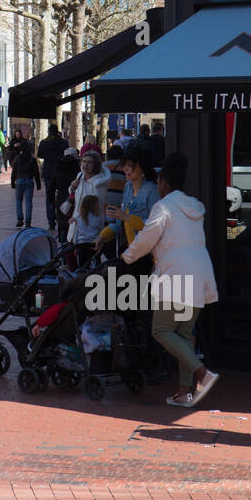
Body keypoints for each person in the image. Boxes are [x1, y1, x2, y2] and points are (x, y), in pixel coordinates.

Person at [120, 152, 219, 409]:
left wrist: (127, 257)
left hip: (176, 276)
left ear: (163, 183)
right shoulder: (194, 207)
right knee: (184, 334)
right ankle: (185, 392)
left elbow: (146, 238)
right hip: (200, 274)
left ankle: (202, 373)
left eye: (159, 182)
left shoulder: (163, 208)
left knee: (161, 330)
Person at [99, 145, 159, 257]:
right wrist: (101, 237)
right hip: (128, 252)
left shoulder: (152, 190)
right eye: (124, 165)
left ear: (141, 167)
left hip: (146, 254)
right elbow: (118, 224)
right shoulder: (128, 187)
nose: (124, 169)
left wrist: (127, 217)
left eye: (129, 166)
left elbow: (155, 224)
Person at [68, 150, 110, 268]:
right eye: (84, 161)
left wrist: (77, 218)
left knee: (90, 261)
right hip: (77, 222)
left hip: (90, 228)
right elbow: (74, 194)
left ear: (95, 165)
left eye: (89, 162)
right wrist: (72, 187)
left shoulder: (99, 184)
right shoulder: (80, 176)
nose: (85, 165)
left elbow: (96, 208)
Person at [38, 123, 67, 229]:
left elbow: (40, 155)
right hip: (60, 170)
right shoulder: (63, 142)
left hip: (48, 171)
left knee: (49, 195)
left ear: (49, 131)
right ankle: (61, 217)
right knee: (62, 194)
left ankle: (51, 221)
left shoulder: (44, 142)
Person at [54, 146, 82, 244]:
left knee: (62, 224)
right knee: (71, 224)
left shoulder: (58, 169)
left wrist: (51, 201)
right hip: (74, 200)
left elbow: (51, 187)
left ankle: (63, 245)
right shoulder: (78, 171)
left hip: (61, 199)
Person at [10, 139, 41, 228]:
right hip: (29, 180)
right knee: (28, 202)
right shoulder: (32, 159)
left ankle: (20, 219)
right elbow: (36, 172)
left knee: (18, 201)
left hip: (19, 180)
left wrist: (12, 181)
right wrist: (38, 184)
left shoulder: (18, 158)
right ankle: (28, 221)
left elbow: (14, 171)